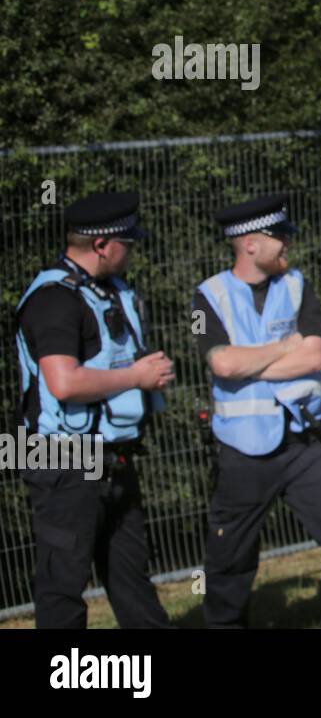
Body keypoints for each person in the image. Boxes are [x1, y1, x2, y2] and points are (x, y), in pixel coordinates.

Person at [194, 194, 321, 628]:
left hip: (302, 442)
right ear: (251, 244)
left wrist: (254, 361)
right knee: (229, 558)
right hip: (241, 449)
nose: (288, 243)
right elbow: (222, 364)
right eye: (281, 236)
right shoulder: (210, 295)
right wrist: (284, 346)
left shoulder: (297, 285)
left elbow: (312, 357)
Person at [15, 191, 173, 628]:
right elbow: (63, 382)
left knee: (131, 578)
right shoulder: (54, 299)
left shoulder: (108, 291)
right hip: (61, 457)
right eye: (128, 241)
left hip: (112, 455)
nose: (133, 250)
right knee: (63, 586)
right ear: (102, 245)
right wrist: (136, 378)